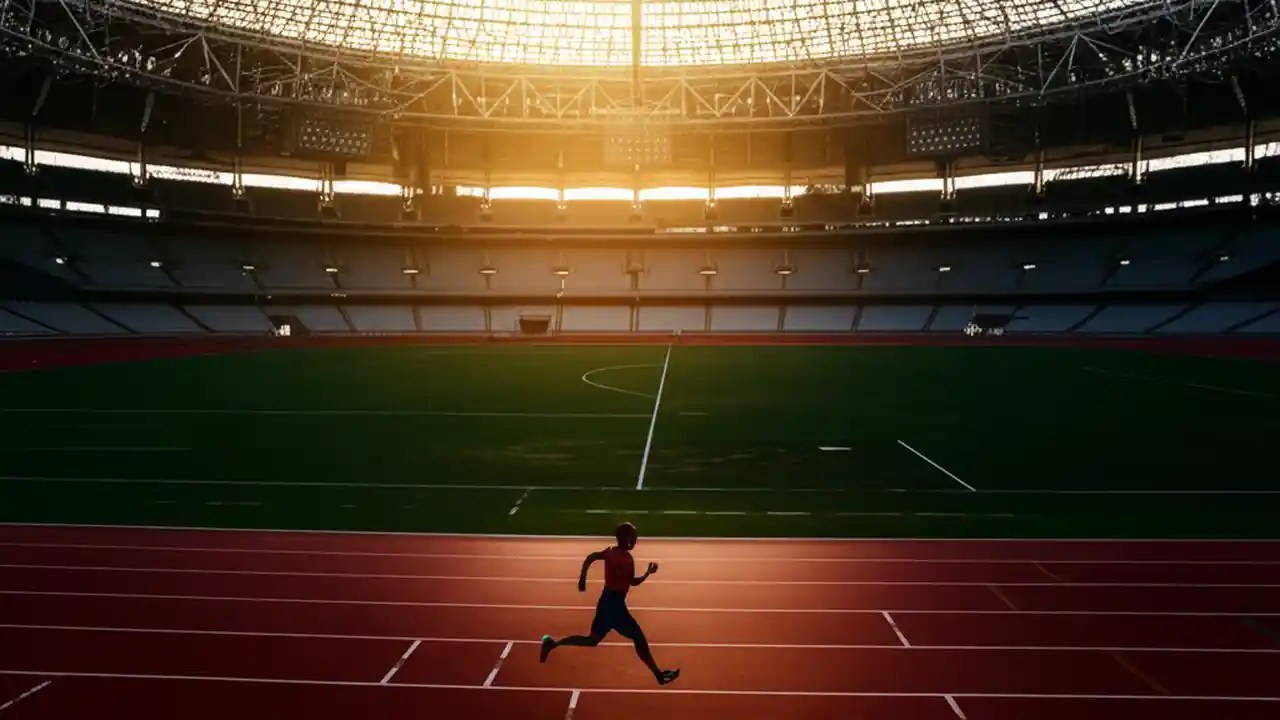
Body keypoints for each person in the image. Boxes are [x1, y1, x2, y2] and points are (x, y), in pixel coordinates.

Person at [540, 522, 680, 685]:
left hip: (605, 600)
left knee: (592, 640)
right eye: (633, 537)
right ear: (627, 539)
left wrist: (582, 577)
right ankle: (659, 675)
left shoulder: (610, 551)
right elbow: (633, 582)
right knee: (638, 638)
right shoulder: (627, 560)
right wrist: (648, 573)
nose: (635, 540)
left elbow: (591, 557)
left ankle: (553, 643)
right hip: (615, 605)